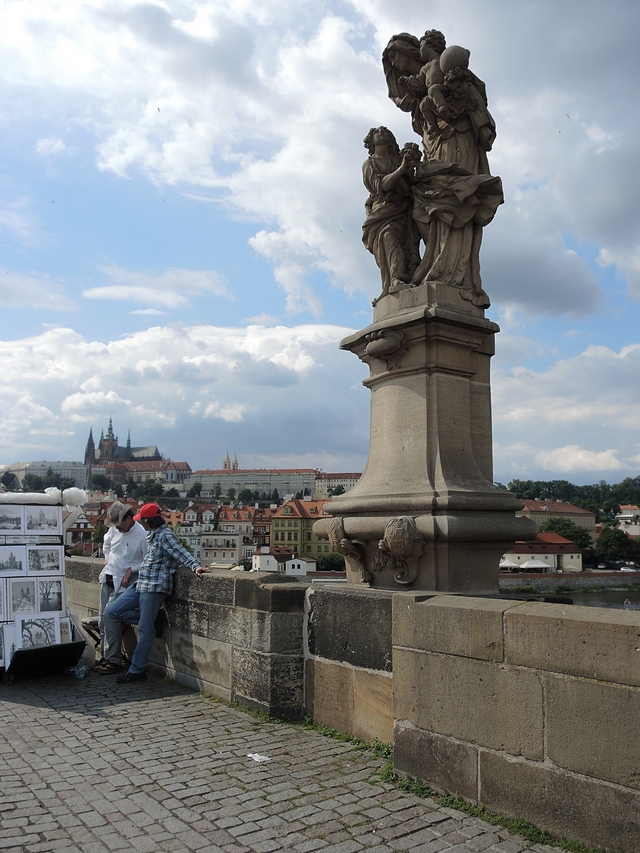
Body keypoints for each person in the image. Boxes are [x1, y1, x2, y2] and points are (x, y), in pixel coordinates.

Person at [103, 502, 211, 684]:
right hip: (141, 584)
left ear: (148, 521)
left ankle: (137, 670)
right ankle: (155, 618)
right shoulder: (153, 535)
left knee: (145, 631)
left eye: (142, 521)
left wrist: (195, 566)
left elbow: (180, 552)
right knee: (111, 612)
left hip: (154, 587)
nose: (140, 523)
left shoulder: (165, 535)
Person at [362, 126, 421, 304]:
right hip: (384, 212)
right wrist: (403, 168)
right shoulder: (369, 164)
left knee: (409, 244)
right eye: (377, 132)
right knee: (388, 236)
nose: (381, 132)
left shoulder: (398, 158)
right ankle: (395, 279)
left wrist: (414, 162)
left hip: (405, 208)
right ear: (371, 141)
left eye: (384, 131)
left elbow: (412, 182)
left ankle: (411, 275)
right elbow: (382, 186)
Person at [95, 501, 148, 675]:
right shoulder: (114, 530)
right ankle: (105, 656)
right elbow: (107, 544)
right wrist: (107, 558)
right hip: (109, 576)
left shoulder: (142, 535)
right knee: (103, 620)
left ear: (129, 519)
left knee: (110, 616)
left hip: (126, 583)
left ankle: (113, 660)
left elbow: (147, 561)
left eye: (119, 524)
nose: (116, 527)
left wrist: (131, 569)